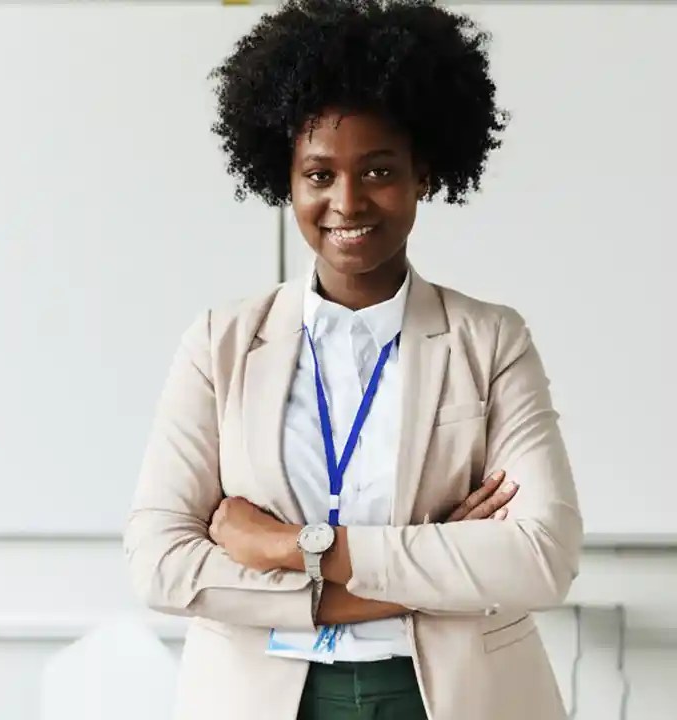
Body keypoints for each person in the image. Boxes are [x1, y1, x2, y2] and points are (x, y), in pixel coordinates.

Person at [122, 1, 583, 718]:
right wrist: (429, 562)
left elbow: (541, 558)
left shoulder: (492, 340)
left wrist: (294, 546)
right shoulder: (219, 344)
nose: (347, 201)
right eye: (318, 174)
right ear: (287, 180)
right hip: (261, 696)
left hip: (454, 697)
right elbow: (159, 562)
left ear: (422, 173)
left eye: (377, 171)